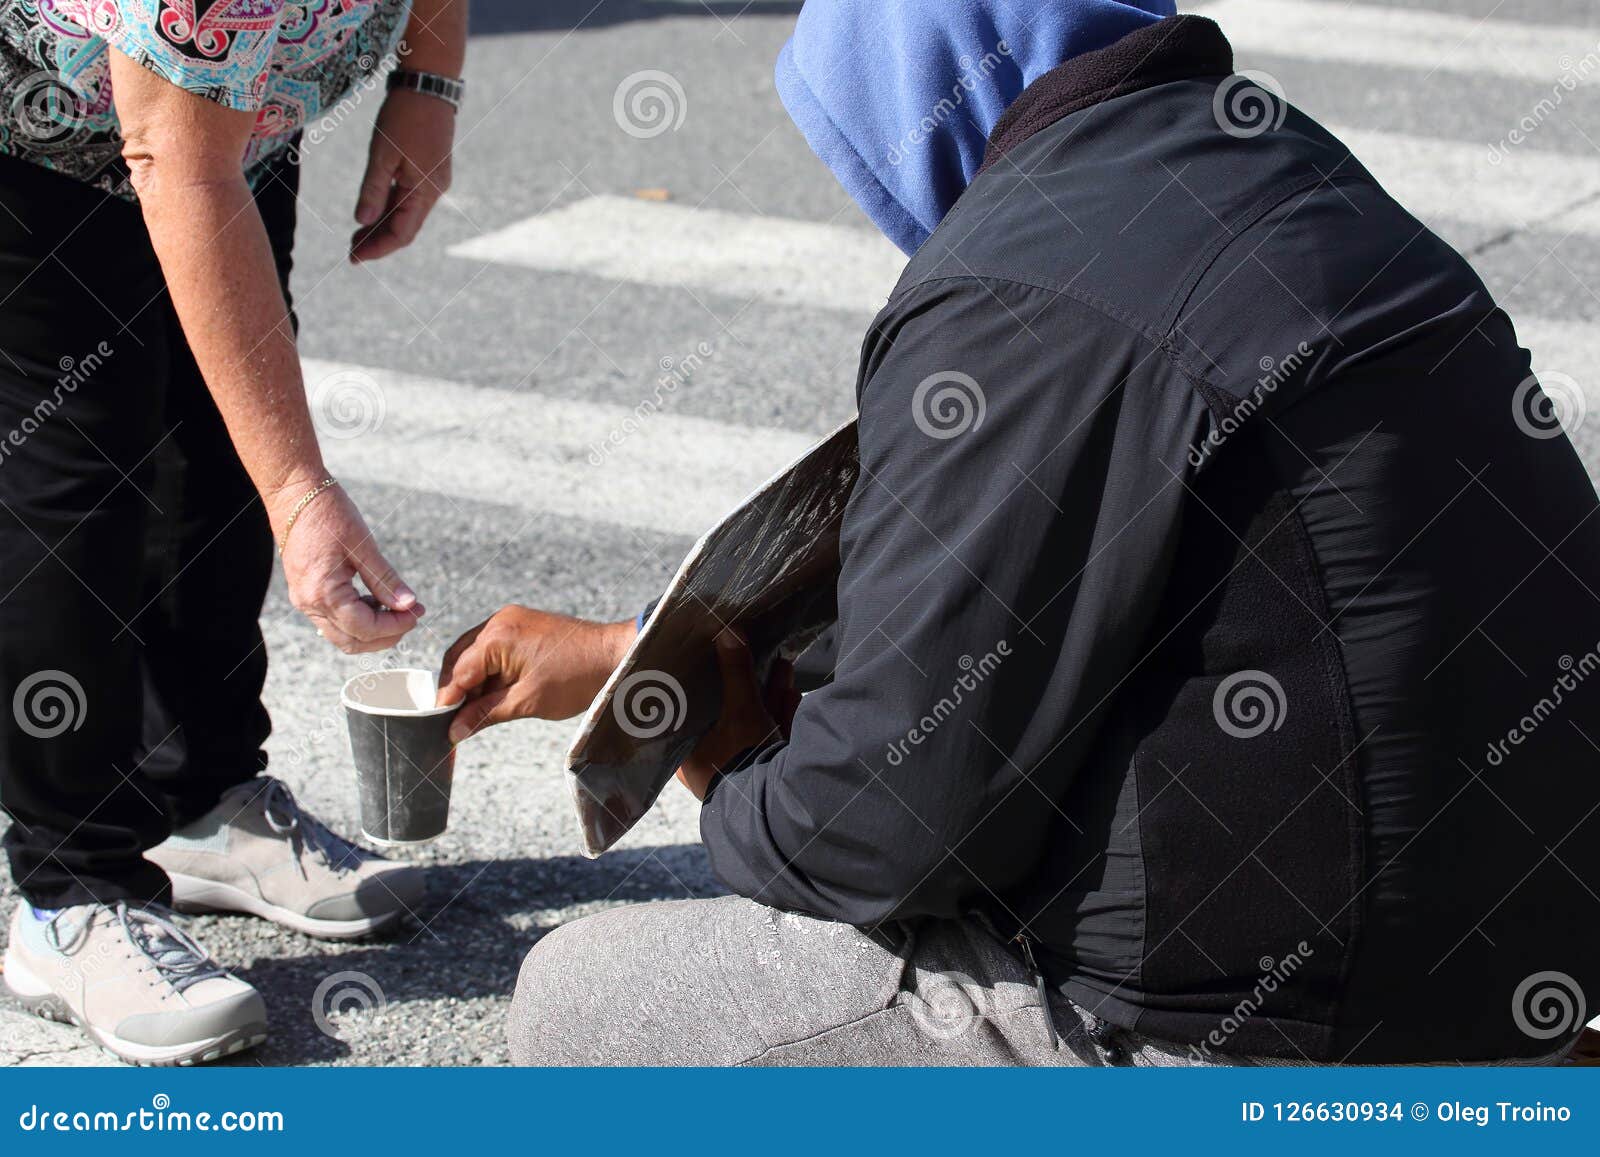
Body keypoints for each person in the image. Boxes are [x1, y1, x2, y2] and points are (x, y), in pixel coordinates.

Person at [443, 1, 1600, 1066]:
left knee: (580, 998)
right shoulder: (1286, 168)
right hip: (1518, 979)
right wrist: (626, 651)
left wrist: (729, 768)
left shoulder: (1014, 286)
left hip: (1261, 1043)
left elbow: (872, 830)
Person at [0, 0, 467, 1066]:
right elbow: (179, 160)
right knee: (79, 454)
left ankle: (198, 795)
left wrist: (427, 84)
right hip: (35, 103)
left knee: (216, 421)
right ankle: (70, 894)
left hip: (228, 92)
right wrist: (303, 494)